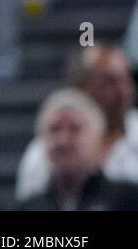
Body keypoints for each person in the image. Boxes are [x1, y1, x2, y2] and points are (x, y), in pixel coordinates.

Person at [15, 46, 138, 199]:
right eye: (110, 82)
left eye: (127, 80)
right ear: (83, 86)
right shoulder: (46, 150)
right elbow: (30, 203)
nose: (123, 92)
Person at [16, 89, 138, 211]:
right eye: (54, 129)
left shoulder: (129, 200)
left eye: (74, 129)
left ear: (99, 139)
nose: (63, 140)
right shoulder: (28, 207)